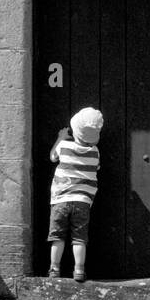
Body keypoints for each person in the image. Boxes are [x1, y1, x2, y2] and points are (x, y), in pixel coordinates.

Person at [47, 106, 103, 282]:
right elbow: (97, 167)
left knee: (57, 236)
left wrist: (60, 137)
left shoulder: (63, 146)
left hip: (61, 200)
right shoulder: (95, 152)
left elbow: (52, 157)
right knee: (79, 238)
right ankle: (79, 270)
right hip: (83, 202)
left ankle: (54, 268)